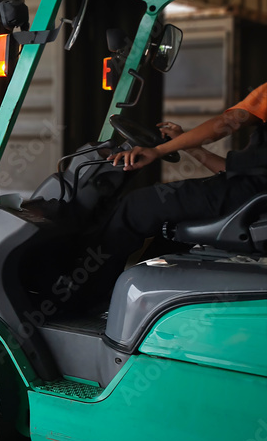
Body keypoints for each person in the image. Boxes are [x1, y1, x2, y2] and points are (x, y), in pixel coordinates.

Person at [83, 82, 267, 300]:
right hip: (251, 196)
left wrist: (158, 150)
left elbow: (226, 122)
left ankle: (86, 297)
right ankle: (144, 299)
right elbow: (230, 170)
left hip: (250, 196)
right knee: (167, 227)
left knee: (135, 207)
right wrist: (187, 144)